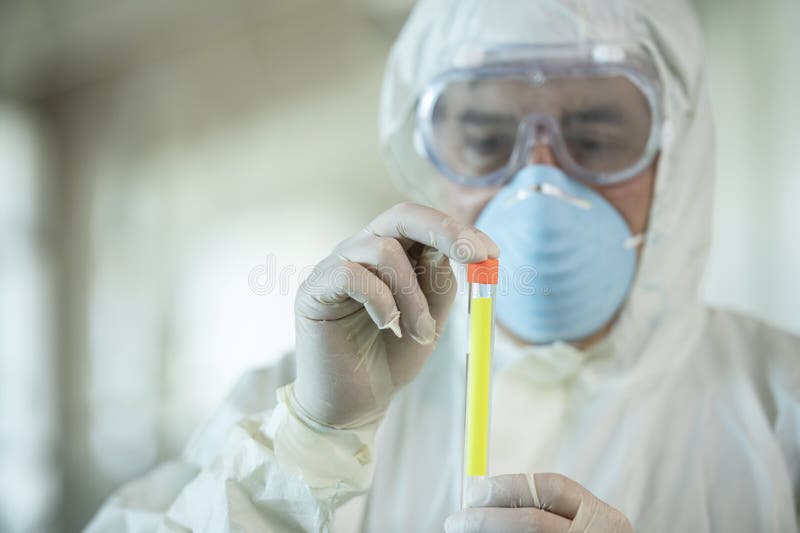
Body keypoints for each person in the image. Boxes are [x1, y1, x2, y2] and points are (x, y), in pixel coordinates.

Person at [86, 0, 800, 531]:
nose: (540, 179)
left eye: (596, 134)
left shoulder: (780, 407)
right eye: (488, 138)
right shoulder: (297, 403)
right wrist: (312, 447)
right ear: (429, 167)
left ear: (678, 159)